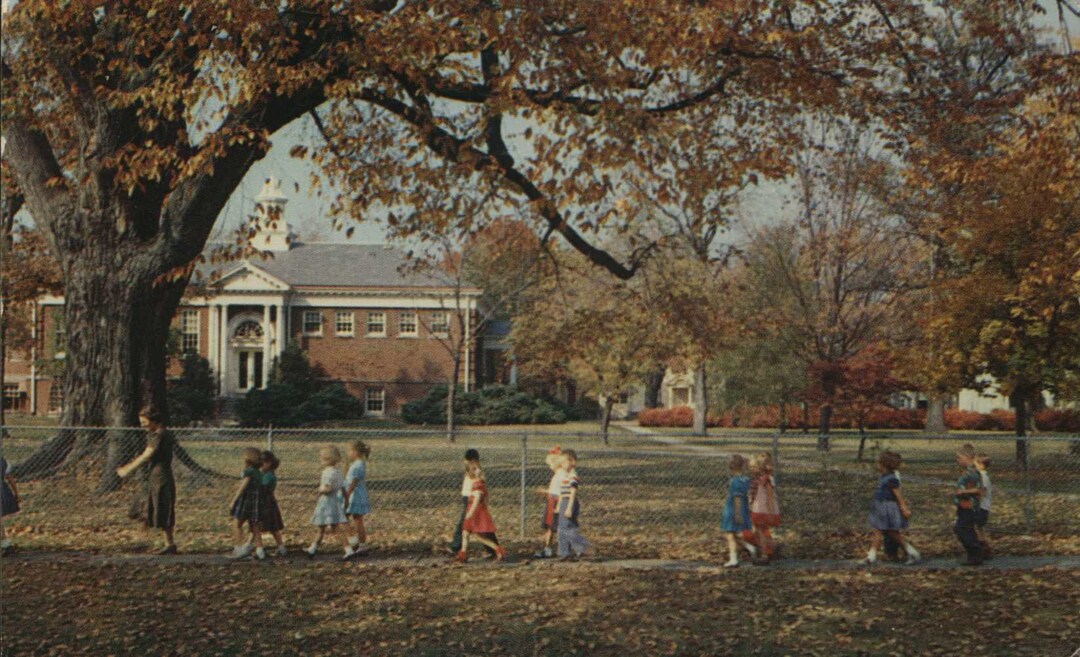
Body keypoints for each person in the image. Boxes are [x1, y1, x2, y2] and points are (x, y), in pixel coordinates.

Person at [116, 406, 177, 555]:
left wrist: (127, 469)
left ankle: (169, 544)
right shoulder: (155, 434)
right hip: (153, 475)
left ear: (154, 420)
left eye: (144, 421)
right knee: (143, 505)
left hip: (161, 476)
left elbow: (147, 455)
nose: (142, 425)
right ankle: (143, 539)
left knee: (162, 509)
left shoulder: (160, 435)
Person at [859, 451, 920, 566]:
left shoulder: (891, 479)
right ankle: (872, 556)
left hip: (887, 508)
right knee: (883, 532)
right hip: (880, 507)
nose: (876, 465)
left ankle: (911, 552)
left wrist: (904, 508)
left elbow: (898, 495)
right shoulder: (884, 477)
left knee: (889, 532)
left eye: (878, 463)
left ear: (884, 465)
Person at [455, 459, 506, 563]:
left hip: (475, 511)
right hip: (473, 508)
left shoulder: (478, 484)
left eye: (477, 469)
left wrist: (471, 512)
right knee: (465, 533)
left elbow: (477, 499)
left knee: (478, 536)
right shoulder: (477, 482)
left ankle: (498, 549)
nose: (476, 471)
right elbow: (486, 498)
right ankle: (463, 554)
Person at [448, 449, 496, 558]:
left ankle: (456, 547)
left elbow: (481, 482)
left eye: (466, 460)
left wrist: (477, 474)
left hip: (473, 499)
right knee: (465, 525)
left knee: (481, 526)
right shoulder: (469, 468)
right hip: (467, 497)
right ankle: (458, 548)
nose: (465, 463)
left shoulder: (476, 470)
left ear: (472, 460)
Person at [305, 446, 349, 559]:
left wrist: (320, 490)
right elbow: (344, 488)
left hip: (326, 503)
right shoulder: (338, 472)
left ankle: (313, 548)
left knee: (322, 527)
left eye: (321, 458)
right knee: (332, 527)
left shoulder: (328, 473)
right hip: (335, 502)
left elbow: (328, 489)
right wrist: (346, 500)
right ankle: (312, 548)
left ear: (328, 459)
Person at [229, 447, 265, 560]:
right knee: (255, 526)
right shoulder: (259, 473)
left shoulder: (248, 472)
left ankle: (239, 548)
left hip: (246, 501)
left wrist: (234, 500)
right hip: (256, 502)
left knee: (236, 524)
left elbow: (243, 486)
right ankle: (260, 550)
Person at [720, 454, 755, 568]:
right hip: (741, 509)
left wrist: (737, 513)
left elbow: (737, 497)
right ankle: (749, 547)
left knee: (730, 534)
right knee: (733, 534)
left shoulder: (735, 482)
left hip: (733, 510)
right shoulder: (745, 479)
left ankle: (734, 559)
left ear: (731, 468)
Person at [953, 443, 984, 566]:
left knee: (961, 529)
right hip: (963, 505)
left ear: (967, 457)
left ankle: (975, 551)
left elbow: (979, 490)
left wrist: (963, 491)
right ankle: (973, 554)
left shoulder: (972, 473)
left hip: (969, 506)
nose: (957, 460)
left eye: (959, 458)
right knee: (966, 529)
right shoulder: (967, 472)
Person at [556, 449, 588, 561]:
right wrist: (559, 505)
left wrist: (569, 507)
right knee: (564, 527)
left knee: (566, 527)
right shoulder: (563, 474)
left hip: (570, 501)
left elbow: (573, 491)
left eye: (564, 462)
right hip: (564, 501)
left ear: (572, 462)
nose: (562, 464)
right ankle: (565, 552)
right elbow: (561, 492)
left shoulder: (572, 475)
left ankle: (582, 545)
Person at [747, 452, 780, 564]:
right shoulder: (756, 479)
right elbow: (752, 494)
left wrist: (770, 512)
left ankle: (765, 554)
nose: (752, 469)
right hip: (757, 508)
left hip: (763, 510)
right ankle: (772, 547)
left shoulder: (766, 480)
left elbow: (770, 496)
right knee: (757, 531)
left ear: (761, 467)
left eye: (755, 466)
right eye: (750, 467)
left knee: (760, 531)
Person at [533, 446, 565, 559]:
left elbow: (562, 491)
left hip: (557, 502)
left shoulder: (561, 475)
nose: (550, 467)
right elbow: (554, 490)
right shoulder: (557, 475)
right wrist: (544, 491)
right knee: (550, 527)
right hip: (552, 500)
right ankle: (548, 548)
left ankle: (561, 548)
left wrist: (559, 505)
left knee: (555, 527)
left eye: (550, 464)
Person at [343, 440, 372, 560]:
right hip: (354, 494)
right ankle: (356, 541)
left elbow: (353, 483)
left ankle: (359, 543)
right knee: (349, 518)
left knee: (356, 519)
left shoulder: (358, 465)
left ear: (355, 452)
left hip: (355, 495)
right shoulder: (356, 463)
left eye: (349, 451)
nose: (348, 453)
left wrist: (347, 495)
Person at [256, 450, 287, 556]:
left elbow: (262, 488)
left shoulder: (269, 476)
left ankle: (261, 549)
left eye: (262, 463)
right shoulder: (265, 474)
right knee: (267, 527)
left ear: (269, 463)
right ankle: (280, 547)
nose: (260, 466)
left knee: (264, 526)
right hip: (266, 502)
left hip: (265, 503)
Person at [974, 452, 992, 560]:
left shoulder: (983, 477)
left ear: (981, 464)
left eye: (975, 463)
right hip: (982, 507)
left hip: (982, 507)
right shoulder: (981, 476)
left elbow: (982, 492)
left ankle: (983, 548)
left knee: (976, 528)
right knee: (979, 528)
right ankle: (983, 548)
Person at [1, 455, 20, 555]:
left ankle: (6, 545)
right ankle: (6, 545)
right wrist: (16, 493)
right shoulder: (3, 462)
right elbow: (10, 479)